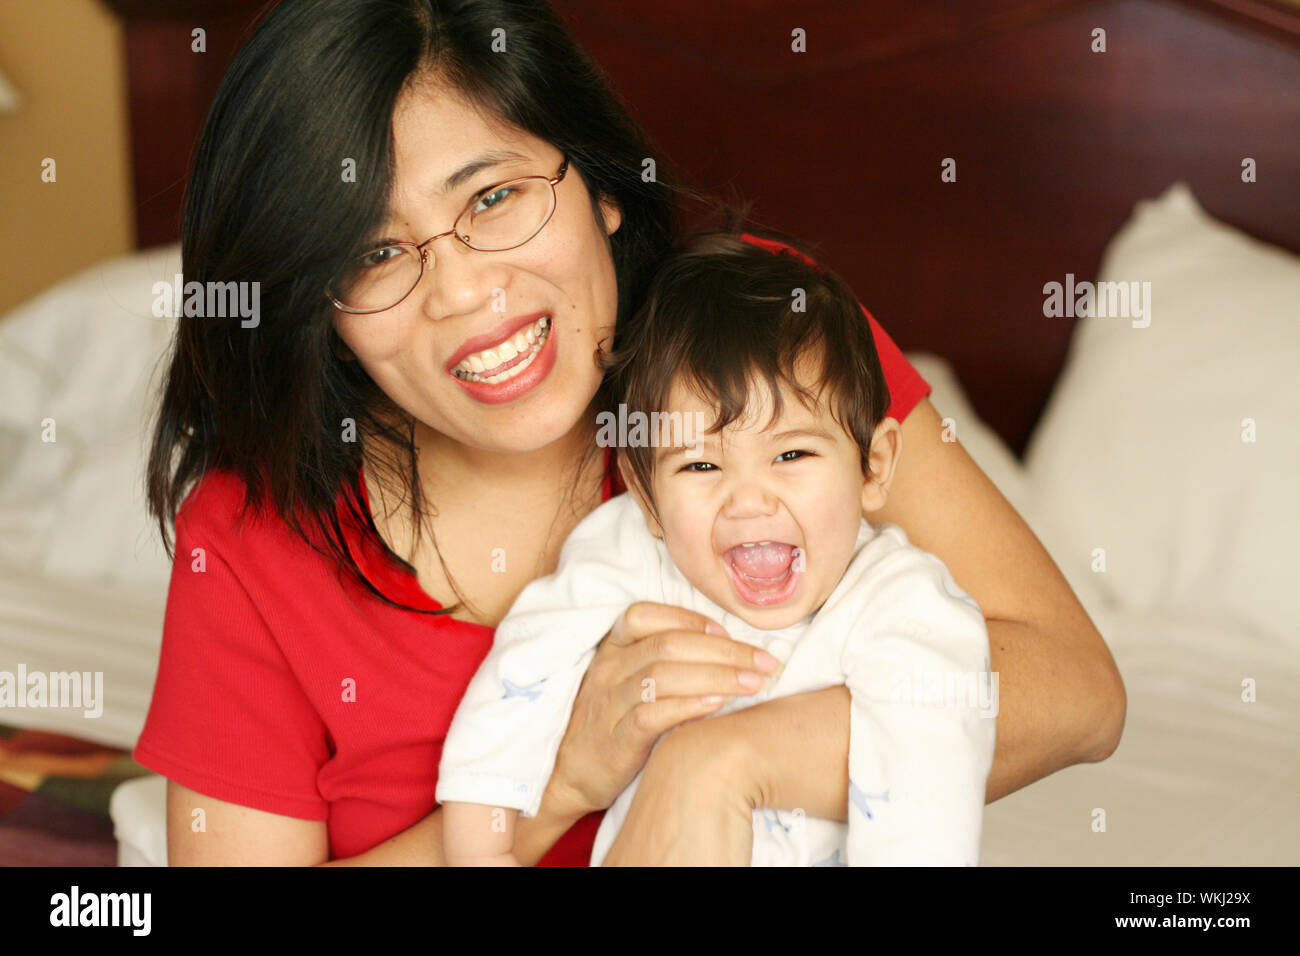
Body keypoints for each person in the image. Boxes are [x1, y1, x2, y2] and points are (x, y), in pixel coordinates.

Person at [134, 0, 1124, 866]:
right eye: (375, 254)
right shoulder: (254, 535)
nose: (465, 292)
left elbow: (1076, 688)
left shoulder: (759, 335)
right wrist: (558, 784)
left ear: (602, 185)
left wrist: (725, 762)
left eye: (494, 197)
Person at [438, 234, 997, 866]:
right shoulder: (634, 555)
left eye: (792, 454)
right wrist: (482, 852)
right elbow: (522, 674)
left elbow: (926, 788)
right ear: (646, 496)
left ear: (873, 465)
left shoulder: (906, 607)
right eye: (701, 465)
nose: (748, 501)